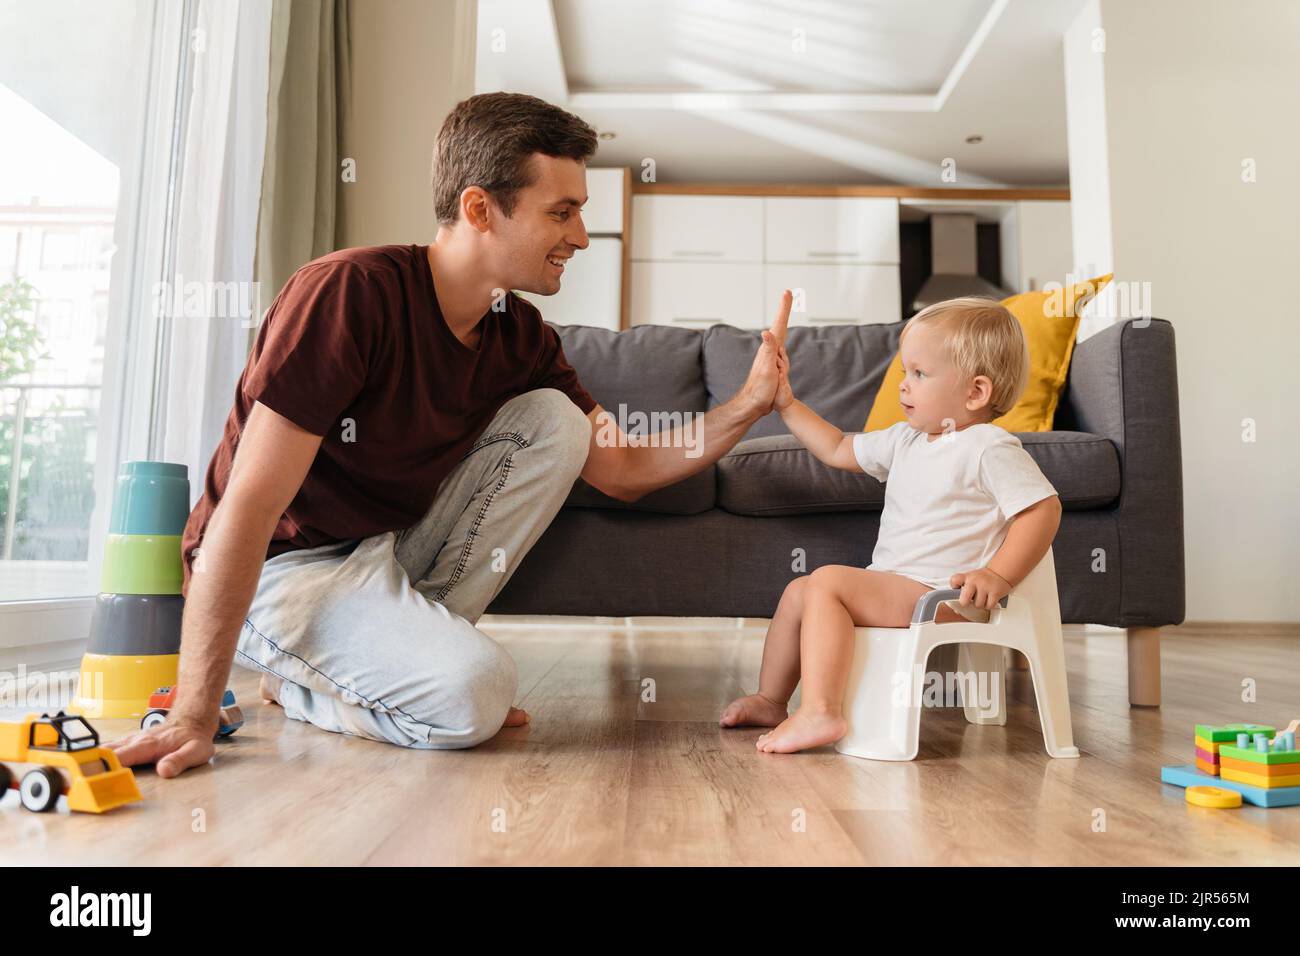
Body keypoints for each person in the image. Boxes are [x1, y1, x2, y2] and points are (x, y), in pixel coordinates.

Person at [108, 92, 792, 777]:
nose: (581, 237)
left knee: (555, 421)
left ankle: (371, 677)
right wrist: (193, 713)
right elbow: (250, 506)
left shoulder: (521, 337)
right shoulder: (347, 294)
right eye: (562, 212)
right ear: (479, 209)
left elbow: (623, 470)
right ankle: (336, 685)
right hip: (283, 572)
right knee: (477, 693)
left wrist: (747, 405)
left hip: (386, 551)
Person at [720, 296, 1062, 753]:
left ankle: (821, 710)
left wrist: (998, 575)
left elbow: (1042, 509)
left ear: (975, 392)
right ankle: (771, 700)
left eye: (919, 374)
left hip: (945, 596)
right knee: (800, 590)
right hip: (900, 586)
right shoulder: (908, 439)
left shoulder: (988, 447)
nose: (904, 384)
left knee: (826, 583)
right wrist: (787, 403)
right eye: (905, 371)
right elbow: (837, 448)